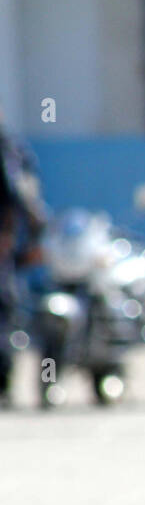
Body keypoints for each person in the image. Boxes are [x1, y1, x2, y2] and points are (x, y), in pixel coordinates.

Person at [0, 107, 46, 407]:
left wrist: (11, 236)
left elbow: (17, 194)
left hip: (4, 244)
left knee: (5, 313)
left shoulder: (8, 145)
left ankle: (3, 380)